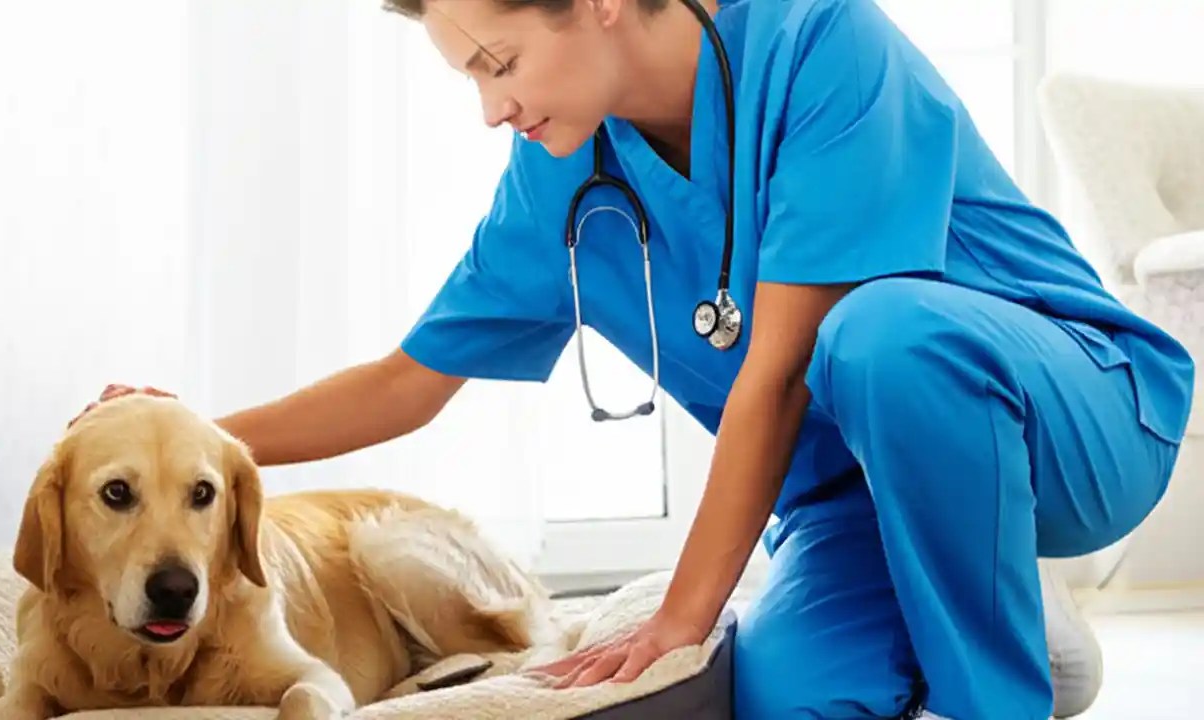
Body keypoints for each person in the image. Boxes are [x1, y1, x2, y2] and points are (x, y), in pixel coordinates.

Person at [83, 0, 1193, 717]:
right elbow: (405, 382)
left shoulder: (820, 43)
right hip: (848, 496)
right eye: (468, 76)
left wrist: (681, 617)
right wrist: (198, 440)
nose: (488, 106)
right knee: (786, 699)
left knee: (881, 335)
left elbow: (773, 376)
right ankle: (995, 607)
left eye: (498, 60)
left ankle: (989, 678)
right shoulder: (555, 171)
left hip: (1082, 414)